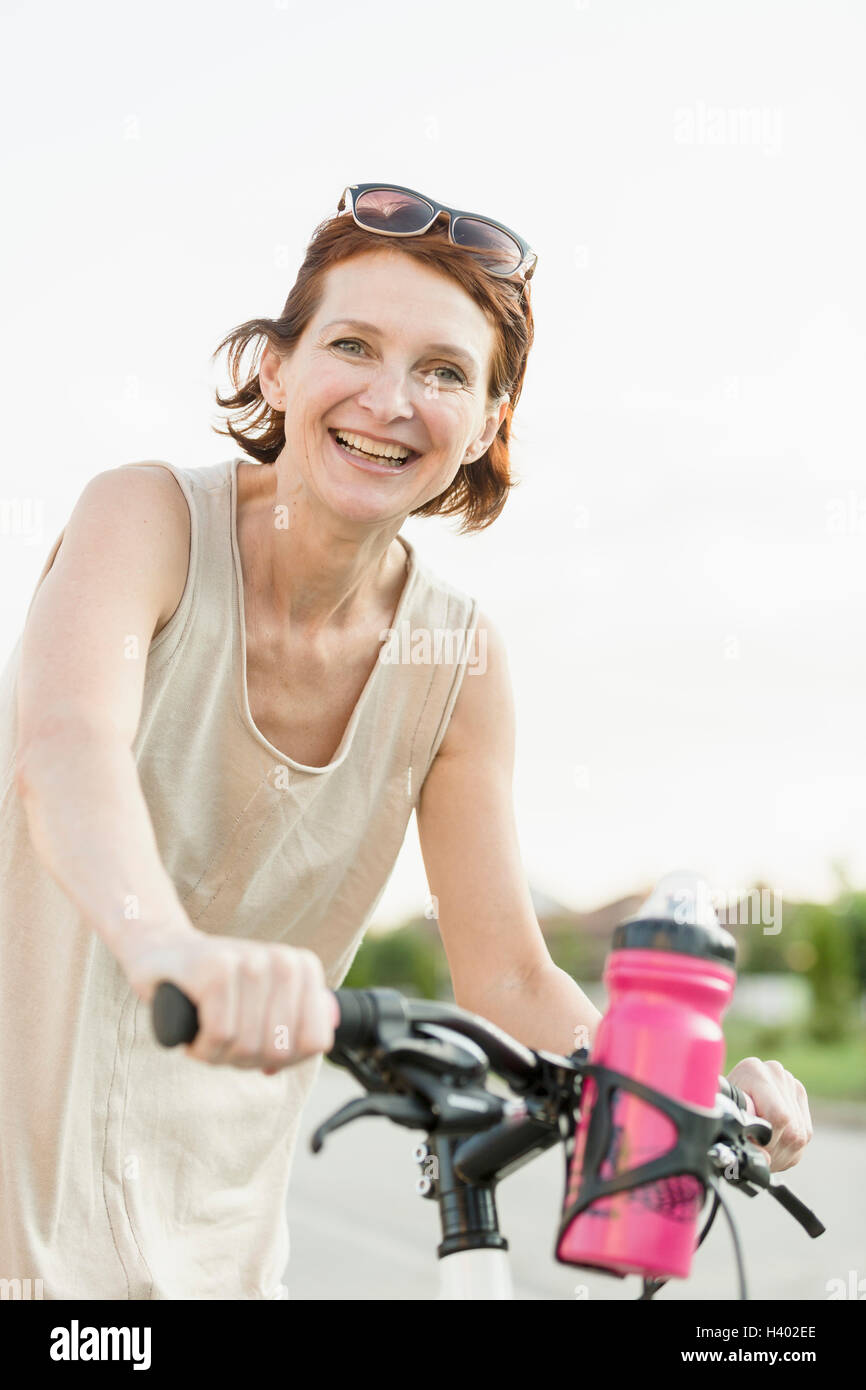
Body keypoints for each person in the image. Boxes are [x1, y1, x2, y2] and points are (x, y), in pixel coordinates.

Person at [0, 183, 812, 1301]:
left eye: (442, 371)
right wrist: (168, 948)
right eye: (352, 345)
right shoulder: (143, 523)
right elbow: (63, 750)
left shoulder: (457, 662)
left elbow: (507, 972)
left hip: (215, 1258)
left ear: (484, 423)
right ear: (276, 369)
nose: (389, 399)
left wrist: (700, 1099)